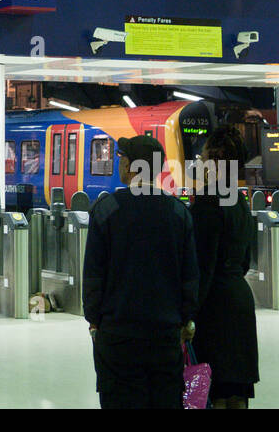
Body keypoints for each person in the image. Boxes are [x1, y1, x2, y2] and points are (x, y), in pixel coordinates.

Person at [82, 134, 199, 409]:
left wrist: (95, 321)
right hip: (164, 336)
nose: (118, 162)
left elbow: (93, 276)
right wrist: (184, 319)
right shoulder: (179, 212)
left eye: (121, 157)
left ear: (133, 166)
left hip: (117, 336)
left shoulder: (106, 209)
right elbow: (190, 277)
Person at [189, 126, 258, 409]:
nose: (200, 163)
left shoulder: (207, 202)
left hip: (214, 306)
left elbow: (202, 265)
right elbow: (245, 260)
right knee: (236, 389)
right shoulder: (240, 200)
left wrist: (188, 312)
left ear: (216, 161)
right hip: (240, 301)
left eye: (204, 158)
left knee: (213, 388)